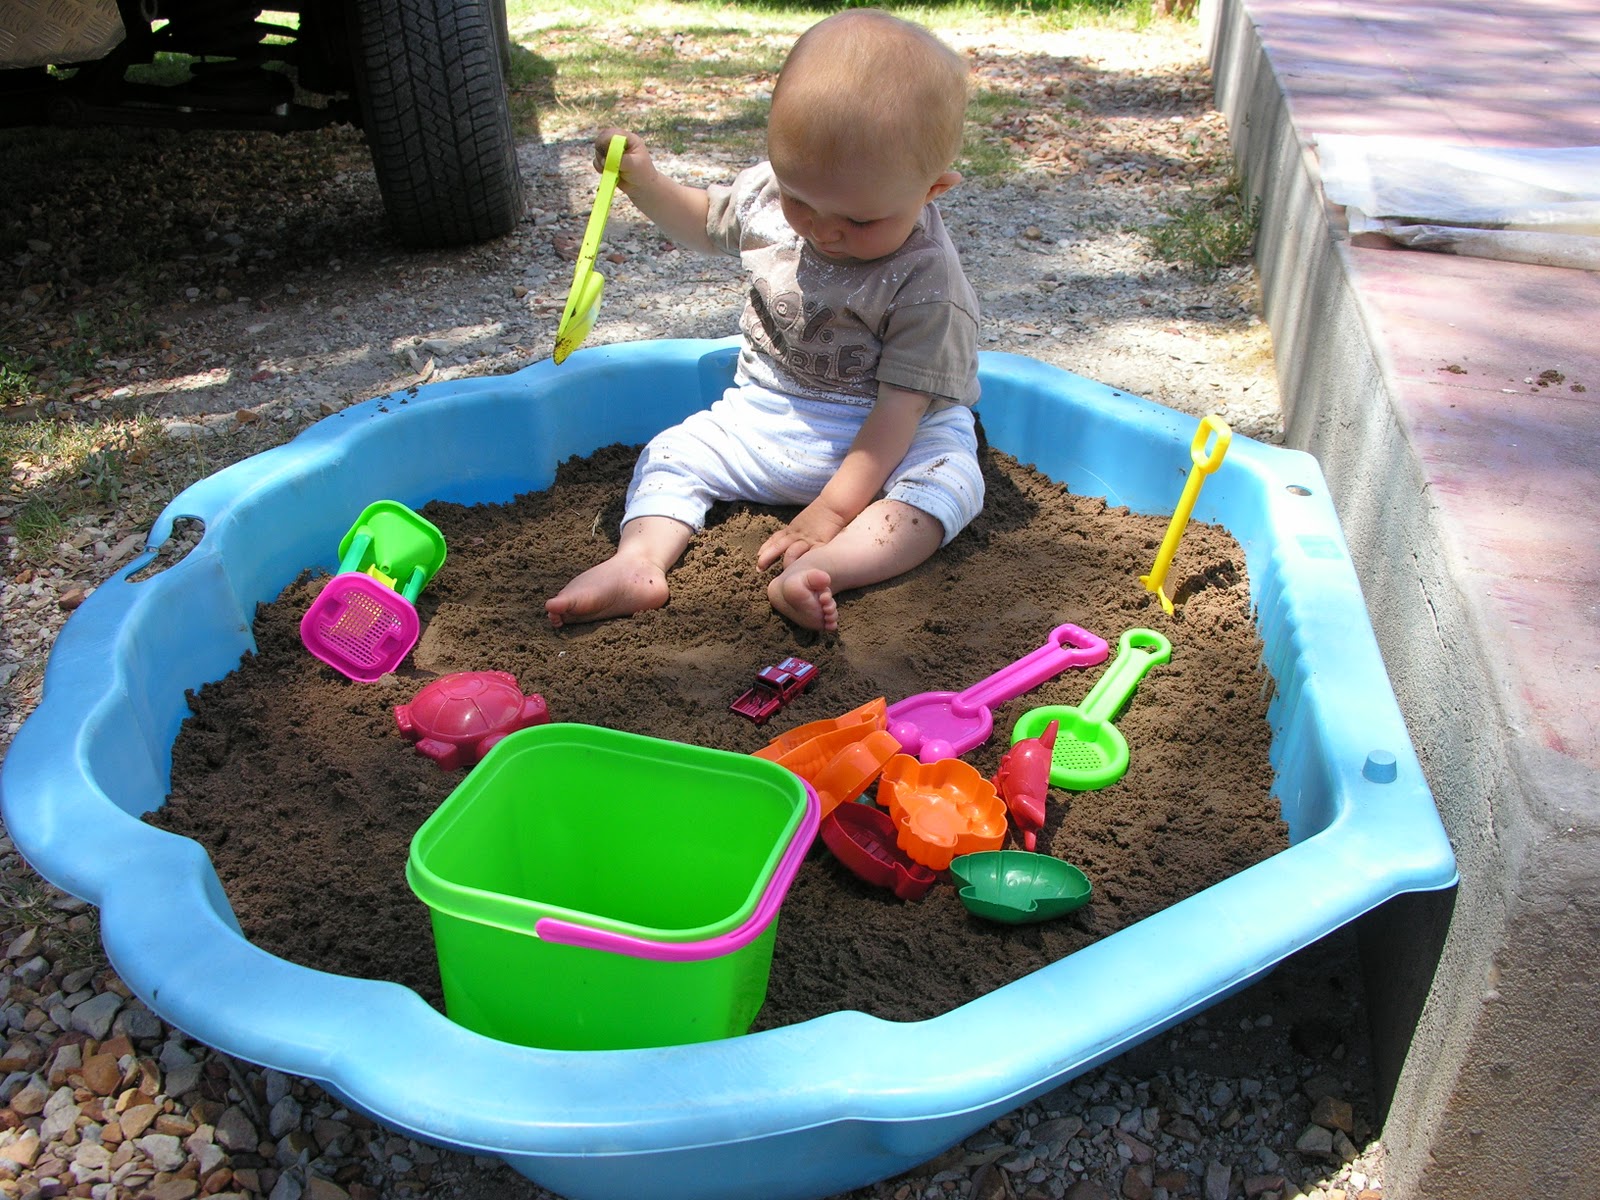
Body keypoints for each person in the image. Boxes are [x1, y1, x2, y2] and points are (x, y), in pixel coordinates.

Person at [545, 8, 984, 634]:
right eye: (802, 200)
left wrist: (830, 513)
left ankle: (828, 568)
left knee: (944, 487)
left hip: (886, 439)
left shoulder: (930, 284)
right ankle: (639, 562)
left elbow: (900, 413)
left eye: (860, 222)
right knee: (673, 452)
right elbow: (702, 222)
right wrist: (644, 184)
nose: (825, 229)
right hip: (764, 418)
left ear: (933, 190)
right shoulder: (775, 199)